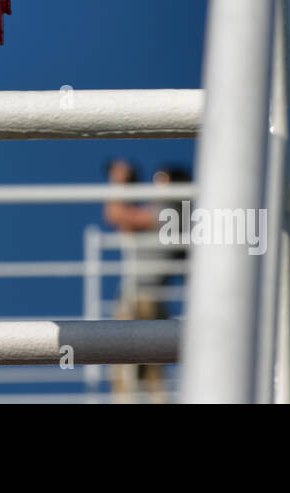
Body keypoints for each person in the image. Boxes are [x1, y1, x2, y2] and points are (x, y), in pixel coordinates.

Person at [103, 159, 192, 401]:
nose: (154, 187)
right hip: (154, 302)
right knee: (152, 373)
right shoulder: (181, 218)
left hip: (140, 300)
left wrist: (119, 181)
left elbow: (117, 215)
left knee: (127, 372)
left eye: (160, 179)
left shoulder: (167, 212)